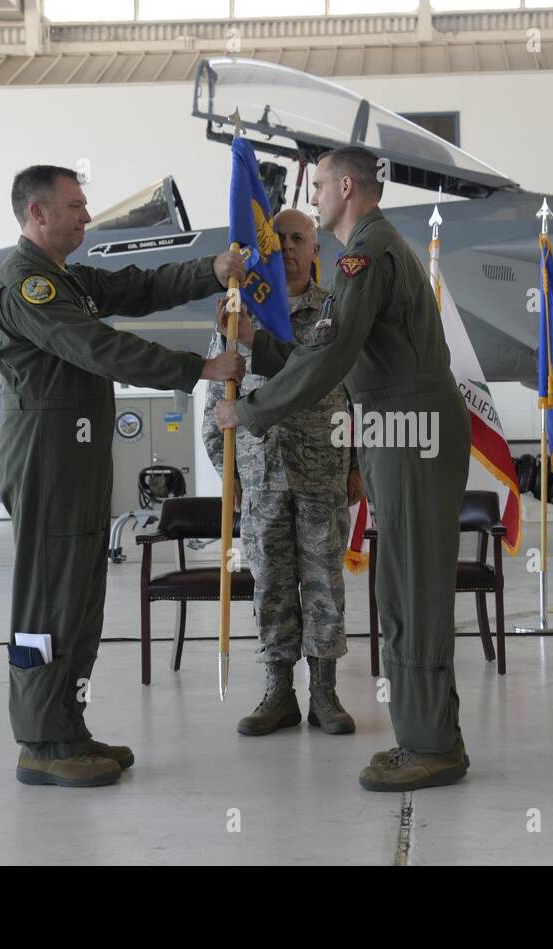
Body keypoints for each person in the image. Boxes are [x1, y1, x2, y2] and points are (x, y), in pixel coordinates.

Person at [214, 147, 472, 792]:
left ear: (347, 186)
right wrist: (256, 347)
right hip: (394, 422)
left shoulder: (367, 252)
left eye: (321, 184)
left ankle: (432, 745)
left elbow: (329, 357)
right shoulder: (371, 249)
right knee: (403, 587)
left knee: (412, 587)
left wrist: (250, 413)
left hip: (407, 426)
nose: (317, 195)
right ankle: (426, 735)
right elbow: (317, 348)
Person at [0, 164, 244, 787]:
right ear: (37, 214)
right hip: (45, 462)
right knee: (47, 602)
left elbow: (136, 288)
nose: (84, 214)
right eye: (73, 205)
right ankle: (41, 741)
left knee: (80, 600)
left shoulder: (65, 278)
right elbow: (97, 347)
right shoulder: (28, 285)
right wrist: (200, 369)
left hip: (73, 462)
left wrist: (209, 271)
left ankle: (68, 727)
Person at [201, 208, 365, 737]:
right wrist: (229, 479)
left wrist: (359, 466)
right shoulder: (238, 317)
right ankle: (278, 692)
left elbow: (362, 395)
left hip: (324, 475)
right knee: (269, 584)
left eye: (301, 238)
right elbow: (213, 406)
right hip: (260, 476)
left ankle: (324, 692)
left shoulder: (336, 313)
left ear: (318, 250)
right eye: (281, 240)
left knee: (324, 583)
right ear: (266, 252)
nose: (290, 248)